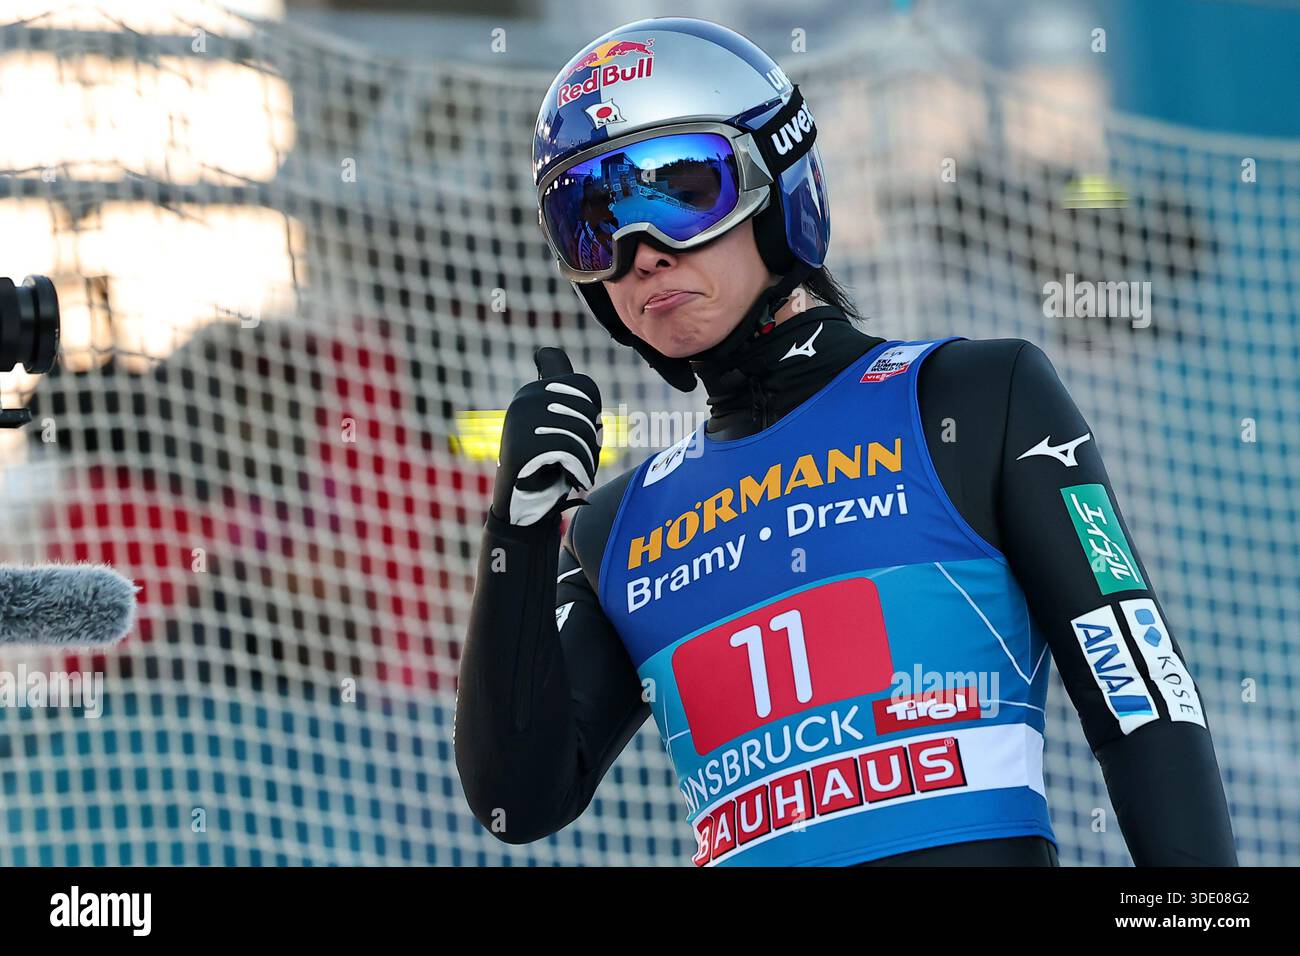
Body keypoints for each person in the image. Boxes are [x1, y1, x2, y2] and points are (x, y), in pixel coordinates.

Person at [454, 17, 1238, 866]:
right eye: (590, 219)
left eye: (679, 190)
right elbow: (515, 803)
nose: (639, 255)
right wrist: (520, 537)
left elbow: (1142, 703)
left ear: (779, 183)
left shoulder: (976, 398)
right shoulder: (616, 529)